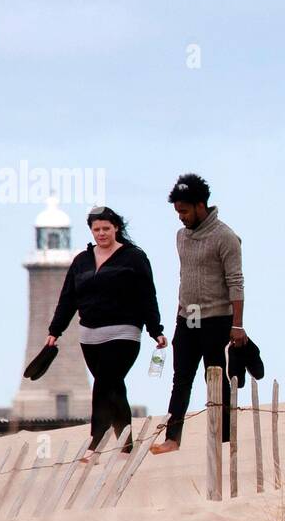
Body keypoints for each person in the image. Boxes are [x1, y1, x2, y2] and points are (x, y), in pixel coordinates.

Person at [45, 206, 166, 459]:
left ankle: (95, 446)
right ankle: (126, 448)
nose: (101, 233)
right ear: (91, 230)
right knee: (113, 388)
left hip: (124, 333)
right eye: (96, 229)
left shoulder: (133, 257)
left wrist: (156, 330)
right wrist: (55, 330)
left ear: (116, 228)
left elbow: (147, 295)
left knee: (102, 385)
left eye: (106, 229)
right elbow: (68, 299)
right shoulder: (82, 261)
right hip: (89, 336)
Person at [151, 174, 246, 454]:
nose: (180, 217)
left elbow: (236, 281)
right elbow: (186, 276)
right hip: (187, 317)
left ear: (200, 205)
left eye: (184, 211)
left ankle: (225, 437)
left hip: (217, 317)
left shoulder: (226, 237)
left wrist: (238, 325)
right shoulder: (181, 236)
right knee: (181, 377)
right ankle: (172, 438)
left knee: (215, 376)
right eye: (177, 211)